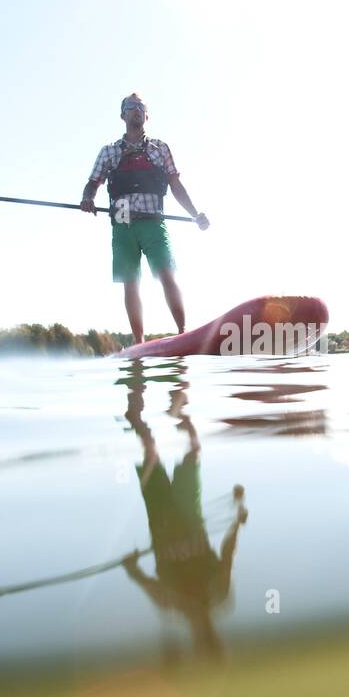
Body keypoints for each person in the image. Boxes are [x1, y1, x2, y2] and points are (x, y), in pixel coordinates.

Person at [119, 361, 245, 661]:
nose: (207, 632)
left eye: (205, 640)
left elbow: (144, 580)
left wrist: (133, 568)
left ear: (197, 640)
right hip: (189, 507)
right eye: (213, 638)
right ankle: (179, 408)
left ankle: (134, 404)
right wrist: (237, 520)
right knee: (193, 448)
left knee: (149, 448)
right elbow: (228, 554)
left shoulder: (172, 604)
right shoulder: (219, 594)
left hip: (160, 511)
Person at [81, 94, 210, 344]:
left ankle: (183, 333)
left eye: (140, 107)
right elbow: (92, 184)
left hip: (153, 220)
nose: (136, 111)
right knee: (131, 282)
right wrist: (88, 198)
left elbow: (176, 185)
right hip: (122, 223)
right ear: (123, 115)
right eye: (130, 108)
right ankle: (138, 341)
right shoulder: (108, 152)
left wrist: (195, 214)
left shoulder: (160, 148)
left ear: (146, 115)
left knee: (166, 274)